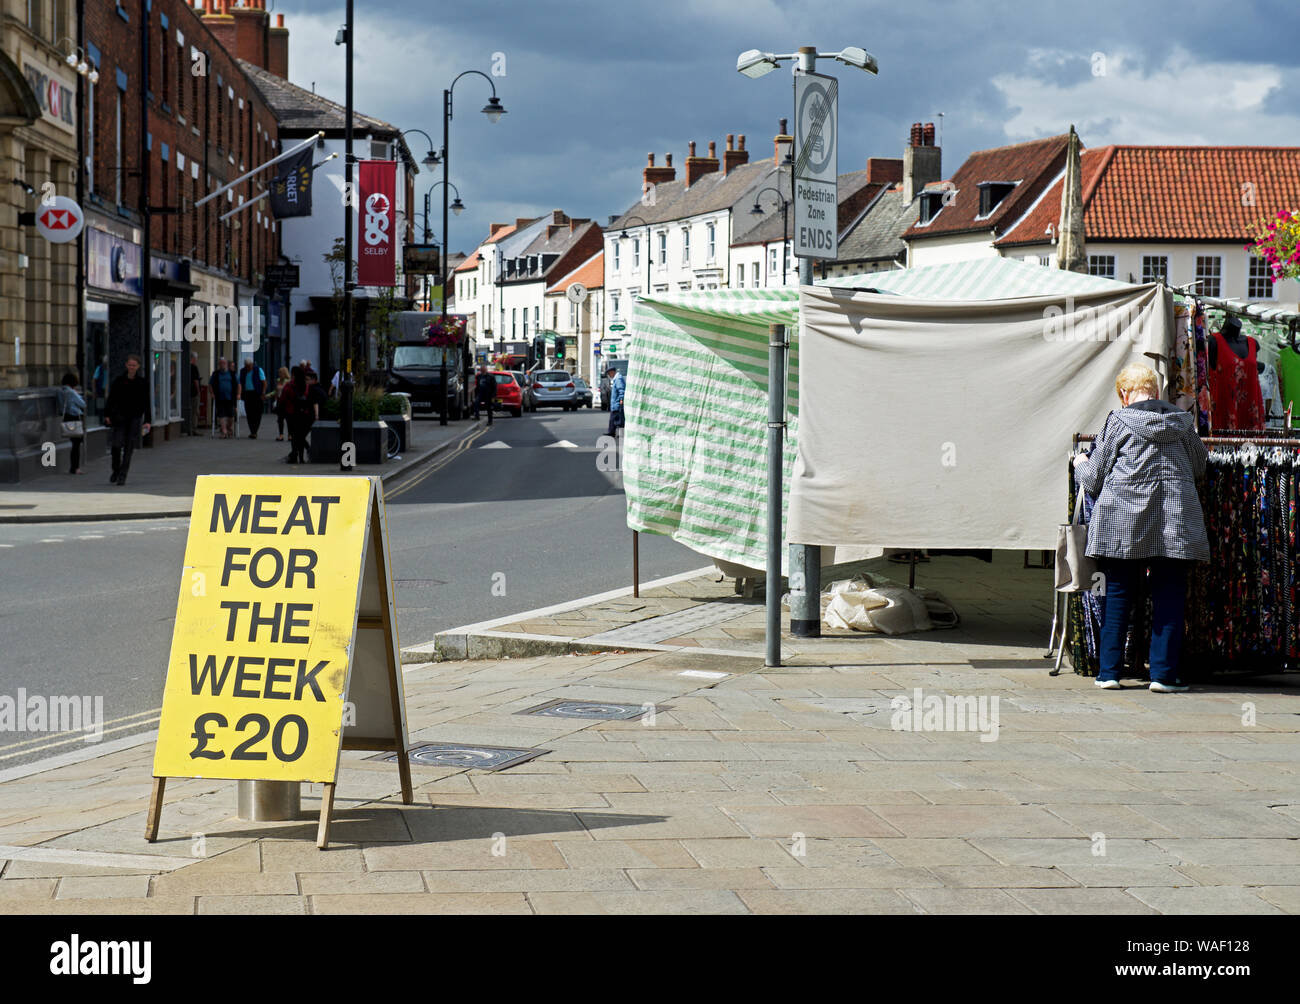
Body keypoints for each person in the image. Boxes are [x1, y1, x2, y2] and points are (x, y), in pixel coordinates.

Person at [1073, 363, 1209, 693]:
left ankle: (1109, 673)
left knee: (1117, 594)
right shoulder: (1184, 423)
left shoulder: (1118, 421)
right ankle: (1163, 675)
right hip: (1174, 522)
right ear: (1156, 392)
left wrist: (1079, 464)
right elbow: (1200, 467)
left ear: (1124, 394)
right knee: (1169, 595)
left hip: (1123, 523)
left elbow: (1092, 480)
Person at [103, 354, 152, 486]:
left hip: (135, 418)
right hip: (119, 417)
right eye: (129, 365)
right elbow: (111, 398)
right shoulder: (119, 381)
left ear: (138, 367)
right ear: (126, 365)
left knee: (129, 448)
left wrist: (148, 420)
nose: (131, 367)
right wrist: (107, 414)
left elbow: (147, 402)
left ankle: (122, 476)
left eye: (134, 365)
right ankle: (116, 469)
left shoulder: (142, 383)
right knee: (116, 445)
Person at [58, 372, 87, 475]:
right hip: (74, 417)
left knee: (74, 443)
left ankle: (73, 467)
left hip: (66, 417)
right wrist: (77, 394)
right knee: (76, 444)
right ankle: (75, 468)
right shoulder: (71, 392)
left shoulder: (60, 391)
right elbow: (83, 404)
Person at [284, 366, 309, 463]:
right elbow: (307, 396)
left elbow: (284, 397)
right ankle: (302, 458)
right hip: (303, 413)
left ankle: (294, 455)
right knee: (300, 435)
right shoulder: (305, 385)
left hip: (291, 412)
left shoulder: (289, 385)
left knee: (294, 435)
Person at [209, 357, 238, 438]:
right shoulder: (216, 374)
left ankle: (228, 428)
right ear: (219, 365)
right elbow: (210, 384)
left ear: (226, 364)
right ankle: (224, 431)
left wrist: (238, 394)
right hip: (220, 397)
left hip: (230, 397)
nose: (222, 365)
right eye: (221, 363)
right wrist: (212, 393)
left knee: (231, 415)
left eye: (224, 363)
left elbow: (238, 384)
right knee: (221, 415)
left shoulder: (232, 374)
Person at [239, 358, 268, 439]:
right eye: (246, 366)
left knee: (257, 413)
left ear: (252, 364)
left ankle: (254, 431)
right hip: (247, 394)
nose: (248, 368)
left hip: (257, 393)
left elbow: (264, 382)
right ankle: (252, 431)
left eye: (249, 366)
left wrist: (263, 392)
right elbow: (240, 383)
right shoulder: (242, 371)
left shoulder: (258, 370)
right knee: (249, 413)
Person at [606, 364, 626, 438]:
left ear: (612, 372)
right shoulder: (616, 379)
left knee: (618, 420)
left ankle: (613, 433)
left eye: (609, 373)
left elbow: (621, 391)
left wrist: (621, 402)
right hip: (615, 404)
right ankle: (612, 432)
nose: (609, 375)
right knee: (615, 420)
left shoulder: (618, 379)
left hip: (617, 404)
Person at [273, 366, 291, 441]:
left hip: (287, 402)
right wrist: (269, 396)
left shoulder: (288, 381)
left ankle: (290, 435)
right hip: (280, 401)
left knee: (288, 419)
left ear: (284, 373)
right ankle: (281, 435)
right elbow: (275, 391)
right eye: (279, 372)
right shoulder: (278, 380)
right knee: (280, 419)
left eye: (280, 372)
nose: (279, 374)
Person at [186, 353, 201, 436]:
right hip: (194, 392)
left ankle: (188, 428)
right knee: (195, 411)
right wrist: (198, 391)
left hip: (187, 392)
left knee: (190, 410)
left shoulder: (185, 366)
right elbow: (196, 381)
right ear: (193, 358)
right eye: (196, 359)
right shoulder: (194, 367)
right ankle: (193, 429)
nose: (197, 360)